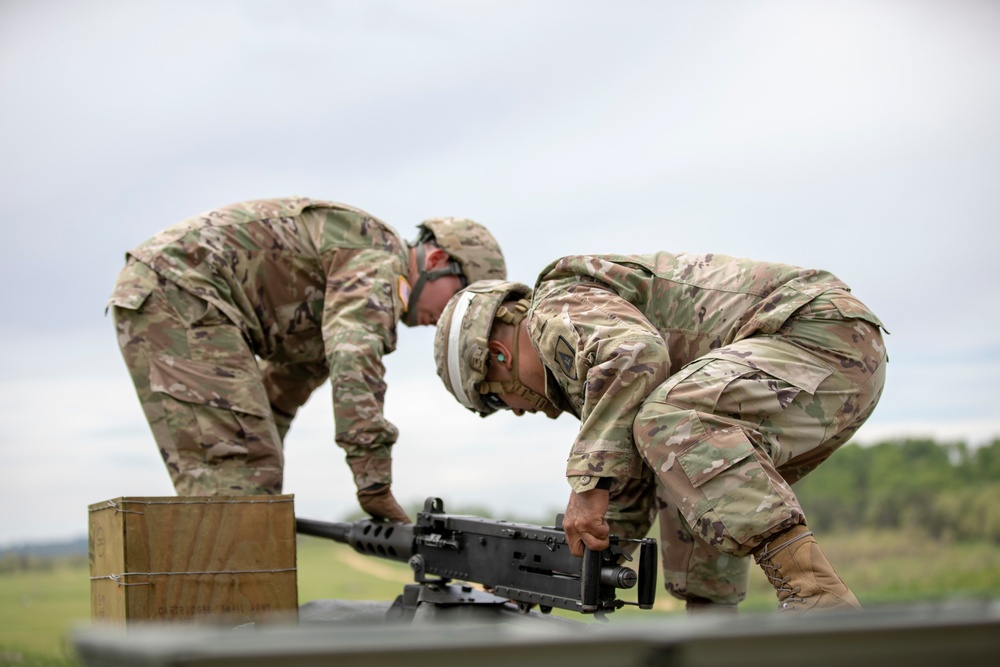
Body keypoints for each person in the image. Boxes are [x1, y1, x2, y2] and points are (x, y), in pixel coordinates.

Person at [433, 251, 887, 612]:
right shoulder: (595, 381)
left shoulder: (556, 304)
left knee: (666, 422)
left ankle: (818, 597)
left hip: (816, 336)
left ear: (496, 357)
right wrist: (538, 576)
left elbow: (637, 353)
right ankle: (713, 637)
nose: (516, 413)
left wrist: (587, 486)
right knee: (681, 471)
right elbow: (625, 502)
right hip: (832, 359)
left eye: (494, 401)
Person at [109, 196, 505, 523]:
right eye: (460, 299)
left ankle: (228, 604)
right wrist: (373, 482)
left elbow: (277, 399)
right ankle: (232, 617)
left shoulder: (338, 296)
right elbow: (354, 360)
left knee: (245, 472)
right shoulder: (378, 258)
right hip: (182, 291)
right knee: (239, 475)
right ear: (435, 261)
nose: (452, 321)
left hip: (171, 293)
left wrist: (262, 463)